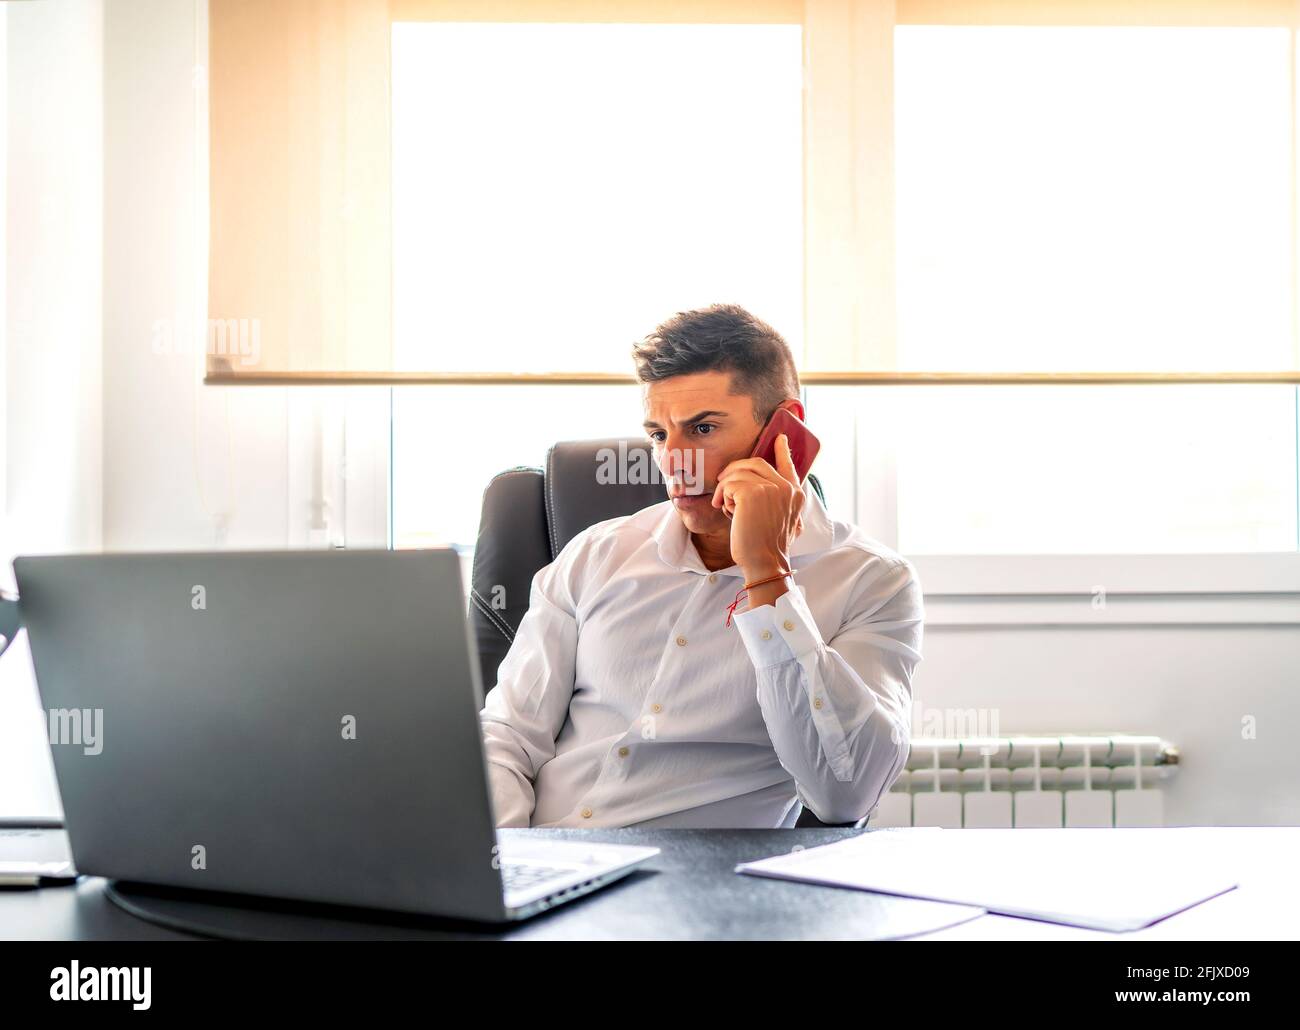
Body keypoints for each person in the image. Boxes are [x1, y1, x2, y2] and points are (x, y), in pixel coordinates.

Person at [480, 303, 922, 828]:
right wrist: (506, 866)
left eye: (704, 428)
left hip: (704, 888)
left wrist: (768, 573)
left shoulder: (871, 582)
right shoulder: (595, 554)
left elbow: (845, 793)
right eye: (660, 435)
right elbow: (507, 737)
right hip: (548, 868)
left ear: (785, 432)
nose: (674, 462)